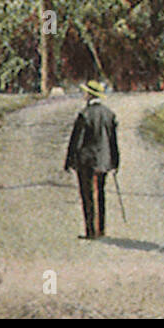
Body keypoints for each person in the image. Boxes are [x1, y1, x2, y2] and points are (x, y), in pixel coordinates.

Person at [63, 80, 119, 239]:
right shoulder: (109, 114)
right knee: (100, 193)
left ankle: (90, 231)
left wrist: (70, 160)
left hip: (86, 161)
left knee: (87, 195)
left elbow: (76, 141)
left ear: (90, 95)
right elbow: (113, 141)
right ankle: (100, 229)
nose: (84, 94)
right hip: (103, 161)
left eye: (85, 92)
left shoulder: (84, 114)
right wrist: (115, 162)